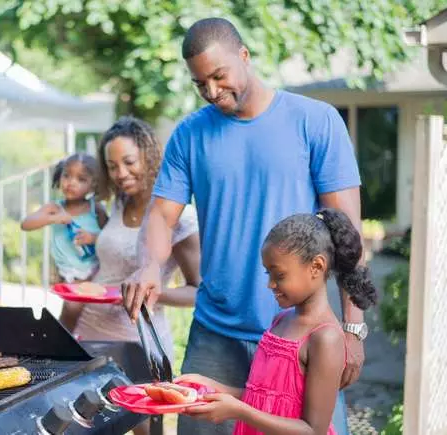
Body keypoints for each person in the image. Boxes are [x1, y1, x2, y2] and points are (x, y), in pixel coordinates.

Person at [122, 18, 365, 435]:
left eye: (219, 76)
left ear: (245, 57)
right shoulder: (189, 135)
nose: (213, 92)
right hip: (216, 334)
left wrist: (353, 326)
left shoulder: (317, 121)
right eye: (201, 84)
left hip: (303, 336)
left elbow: (347, 233)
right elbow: (162, 215)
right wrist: (148, 265)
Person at [177, 208, 377, 434]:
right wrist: (210, 386)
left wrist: (239, 411)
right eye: (268, 274)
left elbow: (313, 430)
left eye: (279, 275)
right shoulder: (281, 321)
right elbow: (262, 398)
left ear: (316, 267)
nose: (270, 284)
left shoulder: (325, 338)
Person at [73, 116, 201, 435]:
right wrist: (80, 286)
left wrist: (147, 292)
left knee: (144, 431)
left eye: (129, 162)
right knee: (87, 426)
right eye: (112, 166)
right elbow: (108, 266)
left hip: (137, 341)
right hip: (90, 333)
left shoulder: (178, 216)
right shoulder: (118, 203)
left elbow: (198, 291)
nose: (121, 174)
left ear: (149, 156)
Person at [21, 153, 107, 329]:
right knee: (71, 309)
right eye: (66, 175)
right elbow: (26, 224)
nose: (71, 182)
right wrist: (54, 218)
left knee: (73, 310)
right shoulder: (54, 207)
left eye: (81, 179)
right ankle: (65, 340)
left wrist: (93, 238)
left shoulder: (95, 209)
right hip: (68, 274)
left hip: (93, 271)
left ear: (93, 184)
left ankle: (64, 340)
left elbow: (110, 237)